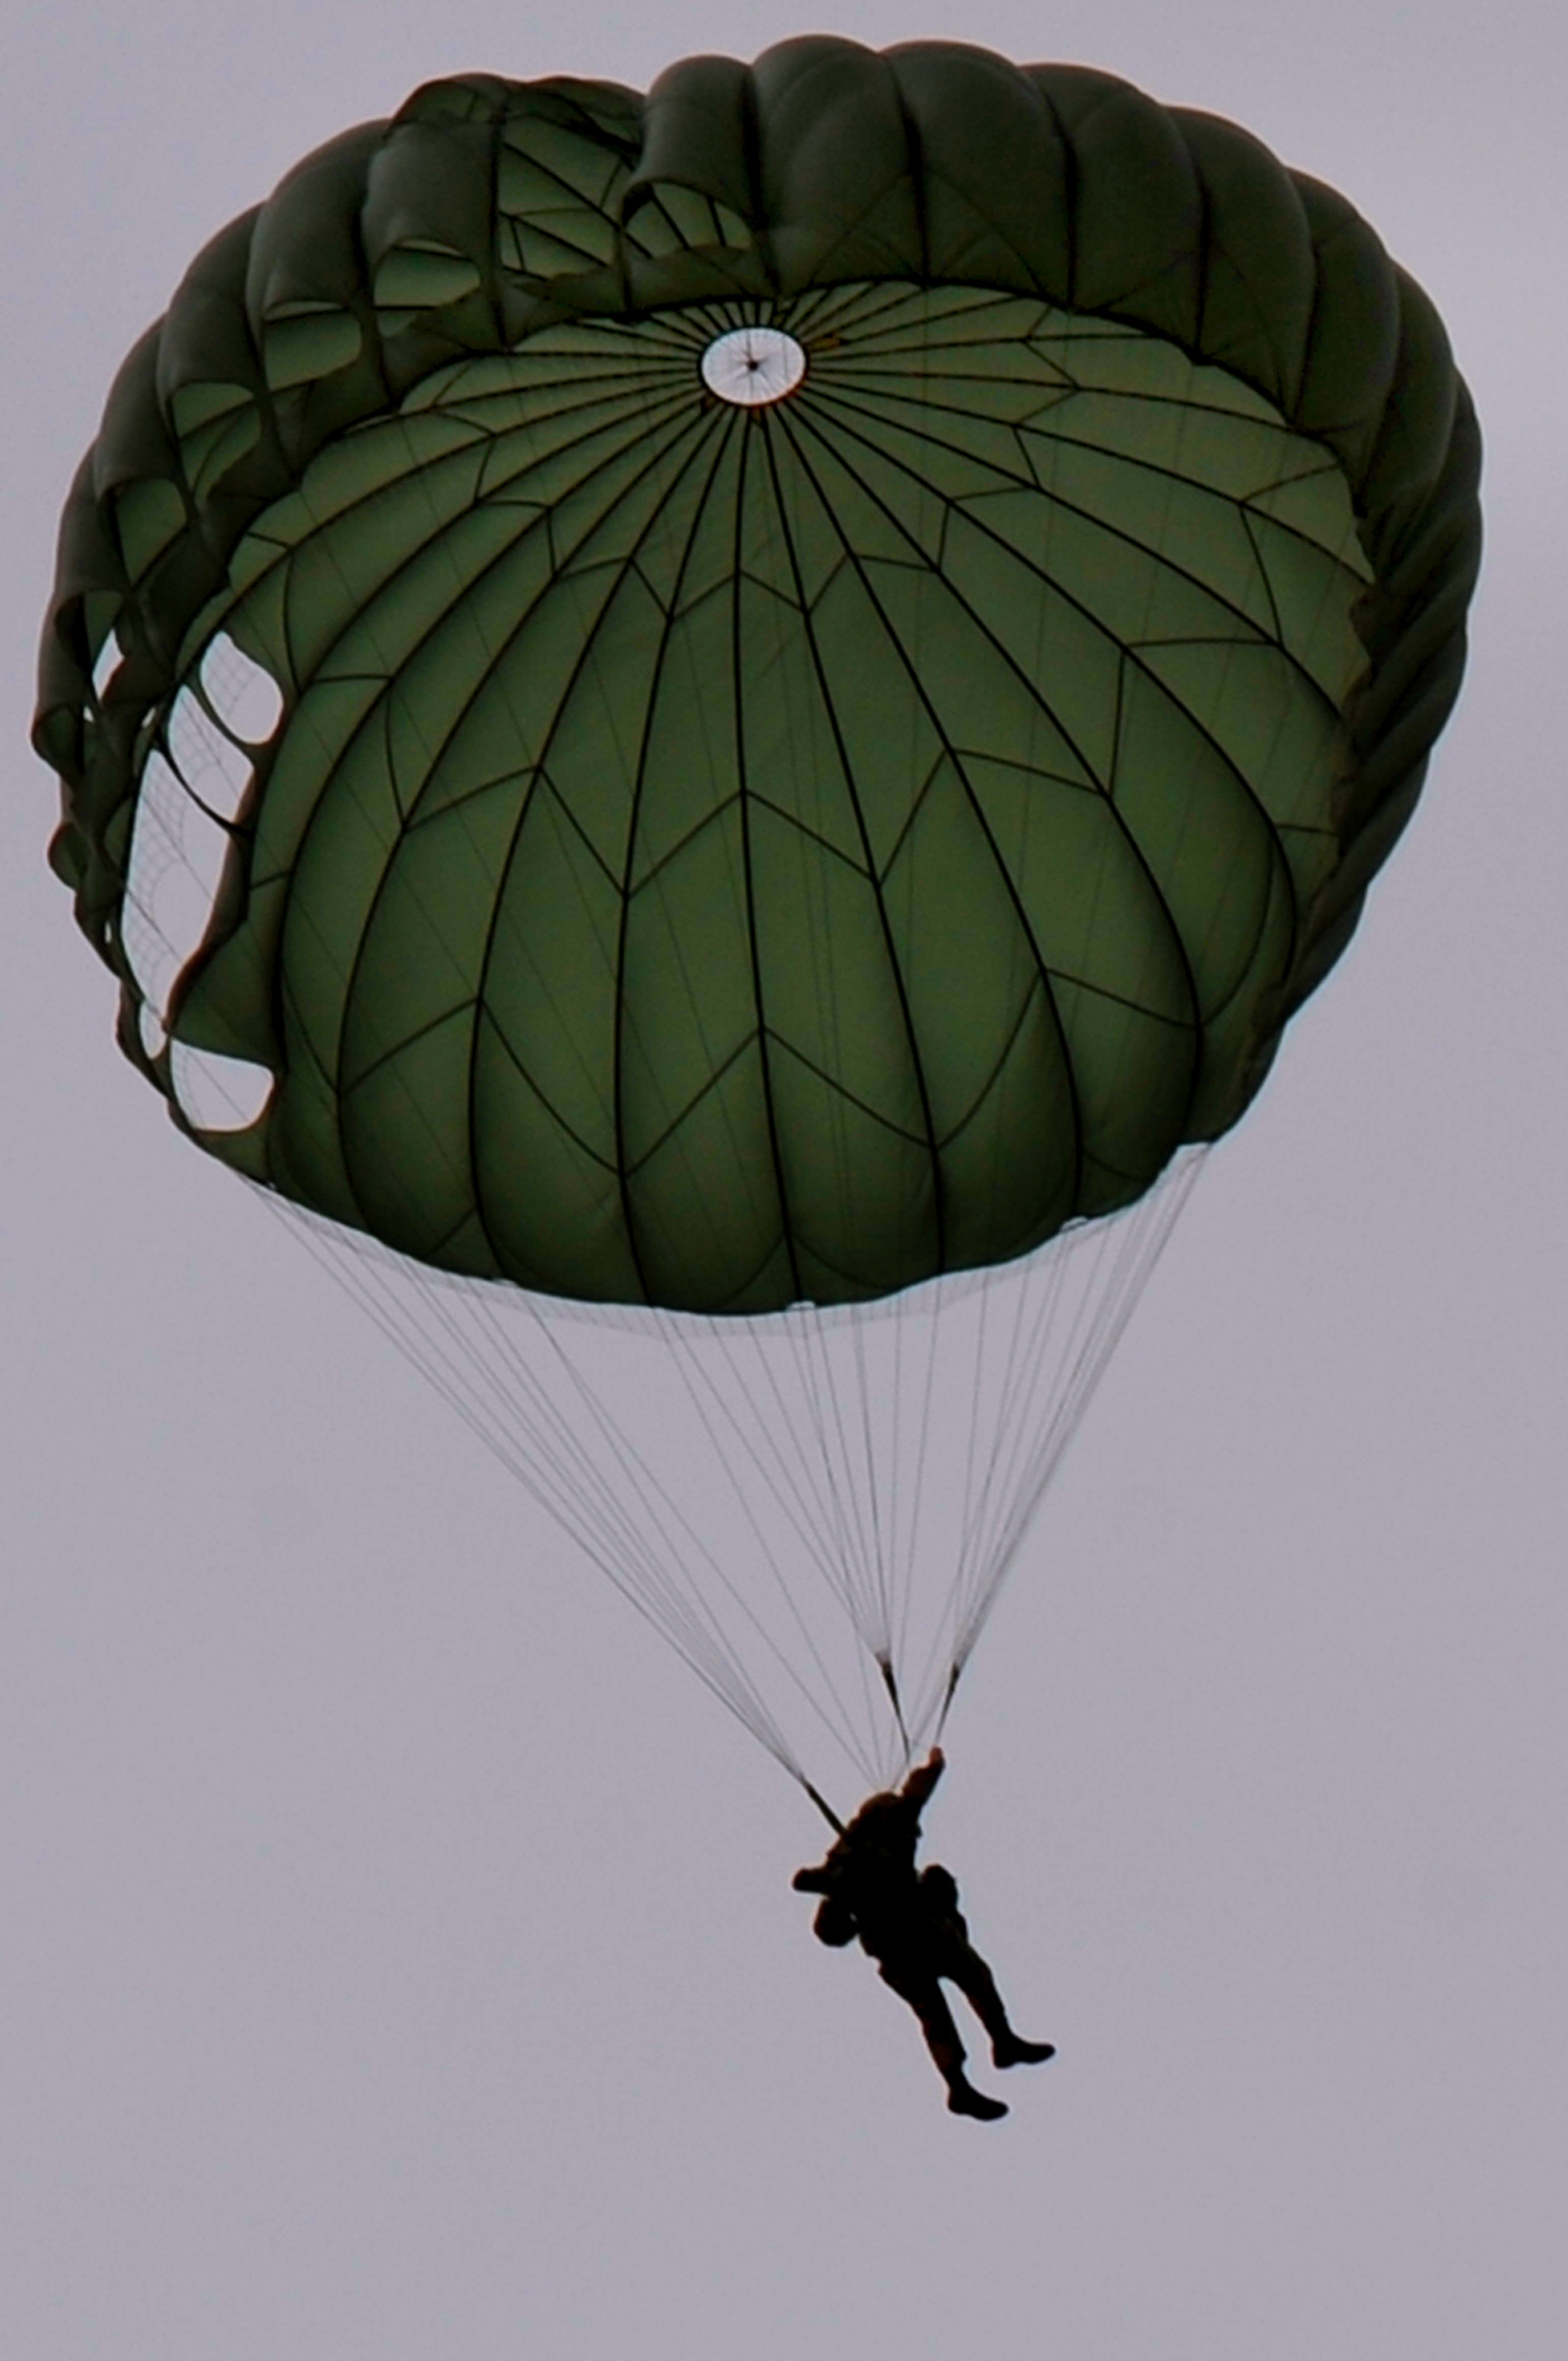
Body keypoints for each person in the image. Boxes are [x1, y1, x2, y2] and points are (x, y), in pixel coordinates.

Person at [793, 1747, 1054, 2121]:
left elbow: (915, 1797)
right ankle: (959, 2087)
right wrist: (821, 1885)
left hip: (927, 1932)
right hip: (900, 1946)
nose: (912, 1832)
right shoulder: (855, 1856)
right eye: (902, 1824)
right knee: (936, 2015)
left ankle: (1003, 2040)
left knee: (976, 1974)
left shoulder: (898, 1829)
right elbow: (823, 1891)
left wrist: (933, 1769)